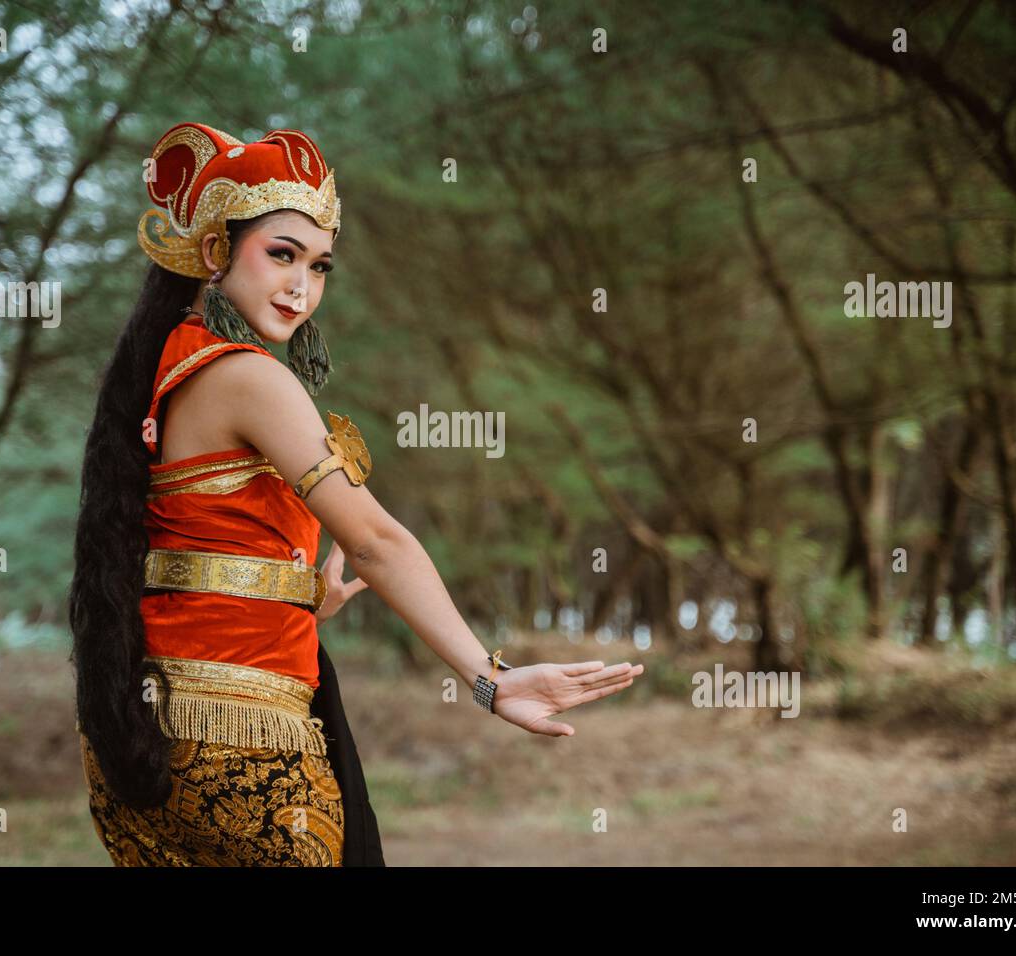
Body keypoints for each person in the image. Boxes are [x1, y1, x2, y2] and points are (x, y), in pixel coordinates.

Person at [69, 122, 645, 867]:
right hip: (240, 741)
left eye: (319, 265)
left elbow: (189, 550)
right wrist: (489, 679)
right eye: (281, 254)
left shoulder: (165, 369)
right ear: (215, 252)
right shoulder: (249, 377)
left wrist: (298, 595)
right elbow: (376, 542)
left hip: (140, 735)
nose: (302, 286)